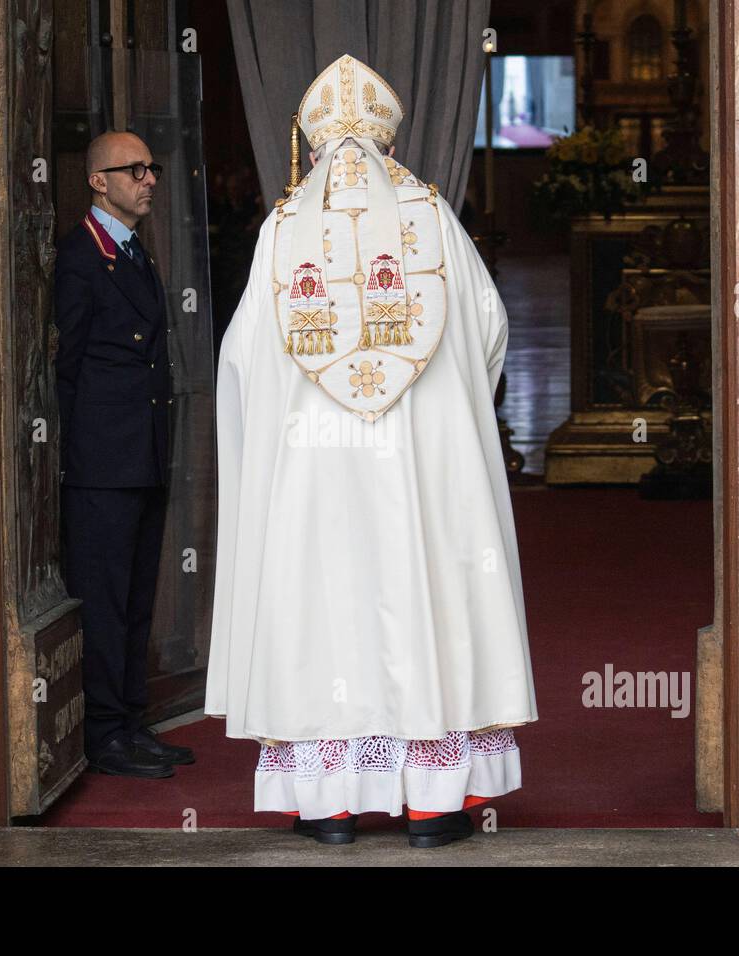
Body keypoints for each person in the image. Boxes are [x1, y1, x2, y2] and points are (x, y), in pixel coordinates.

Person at [206, 54, 536, 847]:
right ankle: (431, 804)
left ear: (316, 150)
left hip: (312, 477)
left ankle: (329, 808)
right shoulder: (435, 219)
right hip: (426, 469)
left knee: (323, 611)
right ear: (389, 148)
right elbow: (490, 334)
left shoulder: (281, 229)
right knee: (430, 604)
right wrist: (449, 410)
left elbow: (241, 363)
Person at [54, 130, 194, 778]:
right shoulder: (82, 256)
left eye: (151, 165)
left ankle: (131, 722)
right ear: (98, 180)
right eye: (133, 169)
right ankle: (105, 734)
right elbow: (69, 367)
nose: (149, 178)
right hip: (103, 462)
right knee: (105, 601)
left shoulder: (133, 251)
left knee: (136, 598)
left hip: (141, 452)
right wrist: (75, 455)